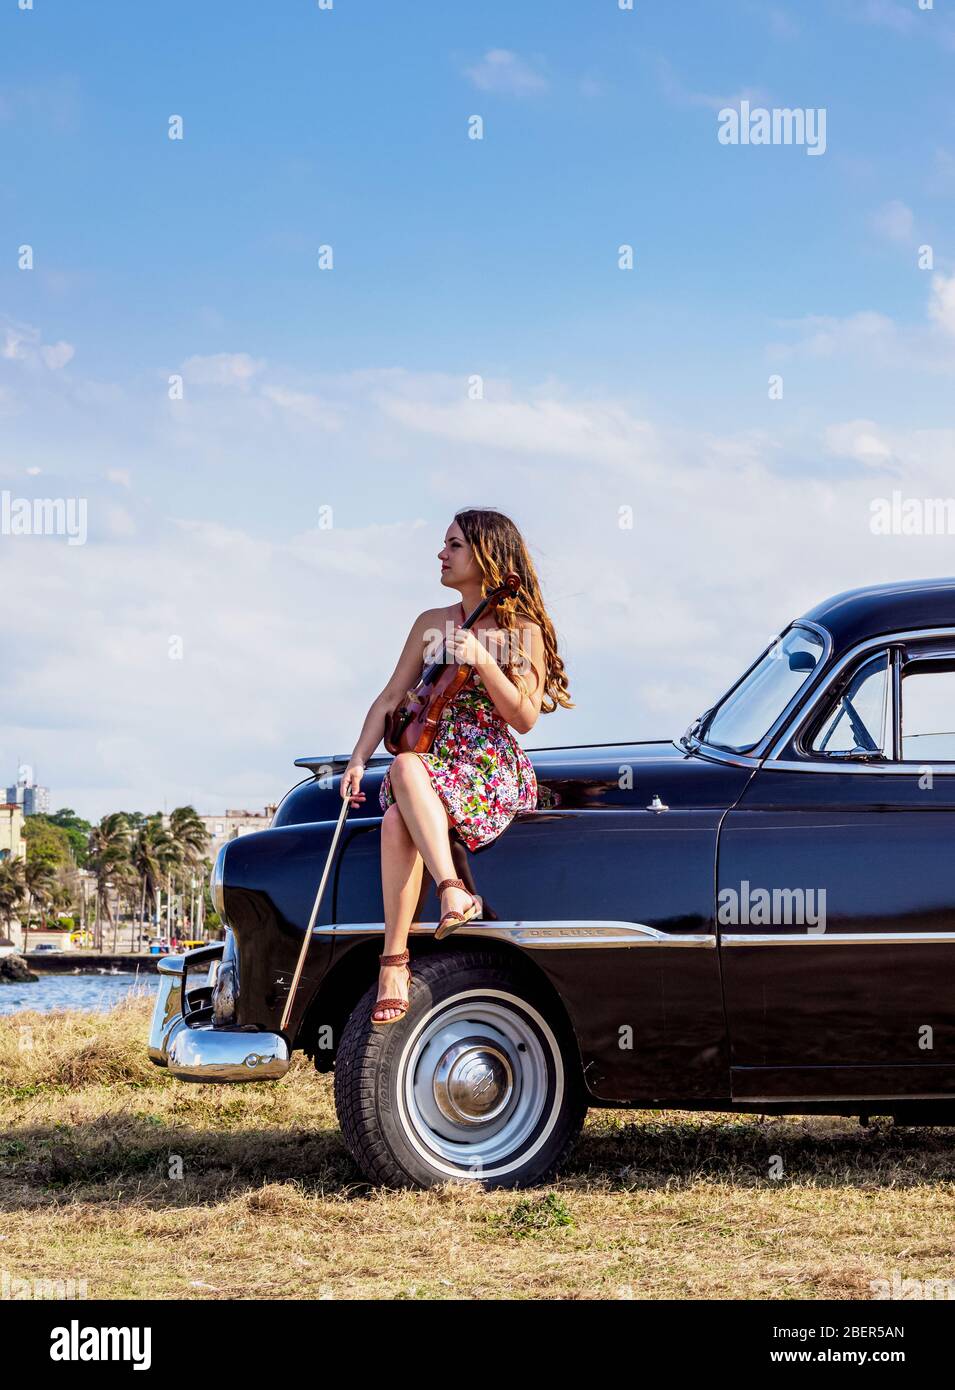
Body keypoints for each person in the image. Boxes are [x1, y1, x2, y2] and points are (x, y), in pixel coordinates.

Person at [341, 507, 574, 1025]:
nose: (441, 555)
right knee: (399, 804)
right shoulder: (430, 624)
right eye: (444, 546)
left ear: (486, 555)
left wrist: (484, 659)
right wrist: (358, 758)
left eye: (453, 546)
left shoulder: (521, 631)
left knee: (404, 771)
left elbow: (525, 717)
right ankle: (402, 954)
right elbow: (391, 698)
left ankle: (428, 918)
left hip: (487, 768)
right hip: (430, 763)